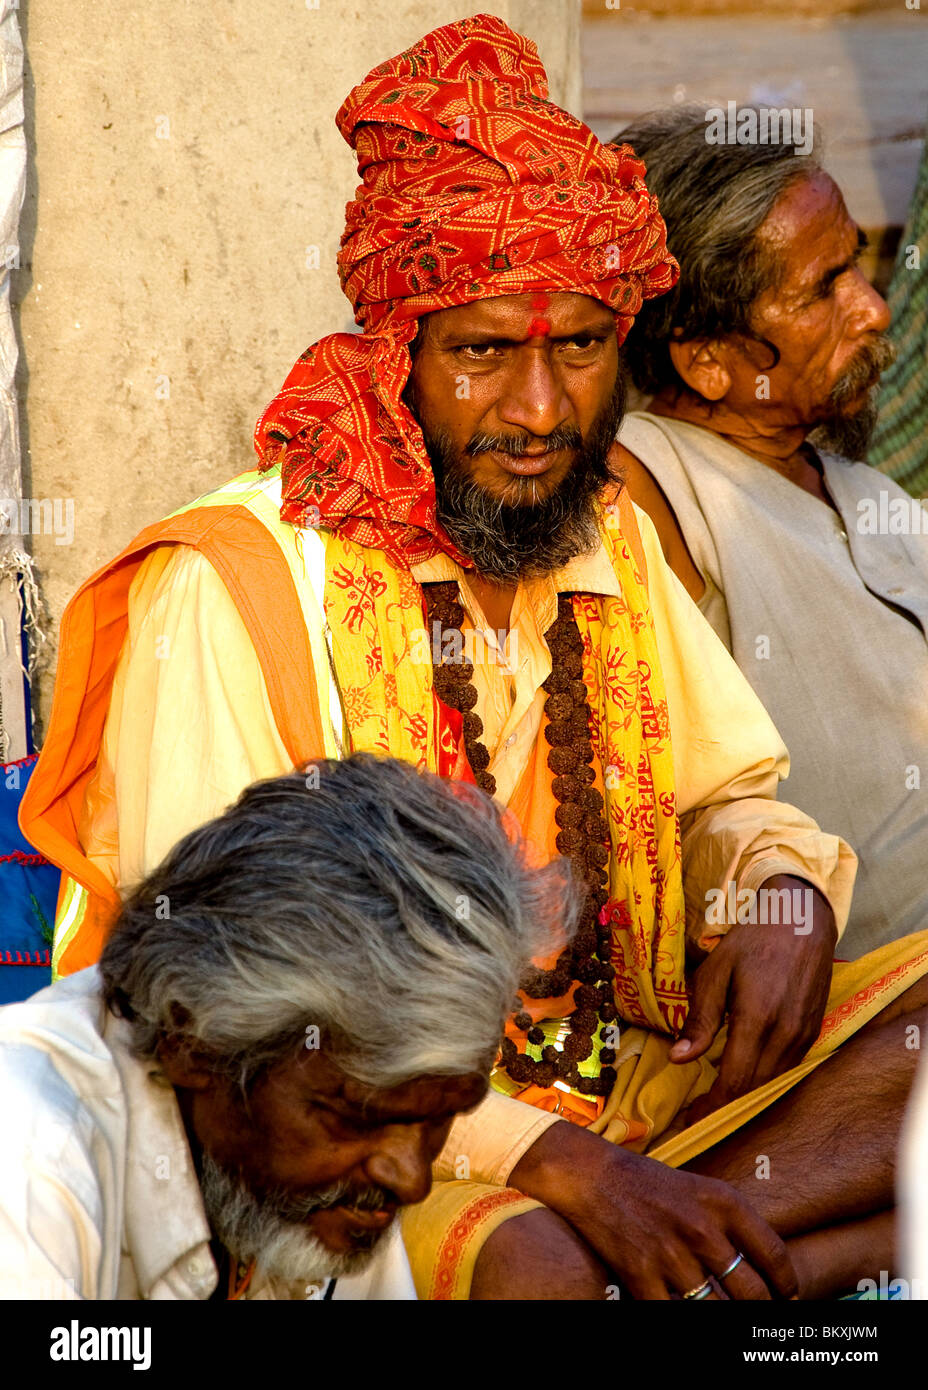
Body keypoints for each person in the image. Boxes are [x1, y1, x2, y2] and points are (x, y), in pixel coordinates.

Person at [19, 16, 928, 1300]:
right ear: (399, 358)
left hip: (642, 1095)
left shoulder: (598, 525)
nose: (541, 412)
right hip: (377, 1143)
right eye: (484, 352)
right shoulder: (235, 585)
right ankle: (712, 1261)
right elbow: (244, 1015)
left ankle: (689, 1259)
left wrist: (785, 894)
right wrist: (557, 1162)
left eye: (579, 347)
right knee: (545, 1267)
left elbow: (731, 798)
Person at [0, 754, 578, 1300]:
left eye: (440, 1118)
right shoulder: (30, 1157)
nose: (411, 1181)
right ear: (192, 1043)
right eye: (352, 1116)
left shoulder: (329, 1183)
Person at [613, 106, 928, 961]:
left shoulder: (862, 488)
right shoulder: (647, 484)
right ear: (707, 361)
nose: (870, 310)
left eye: (857, 265)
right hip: (867, 1011)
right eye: (822, 288)